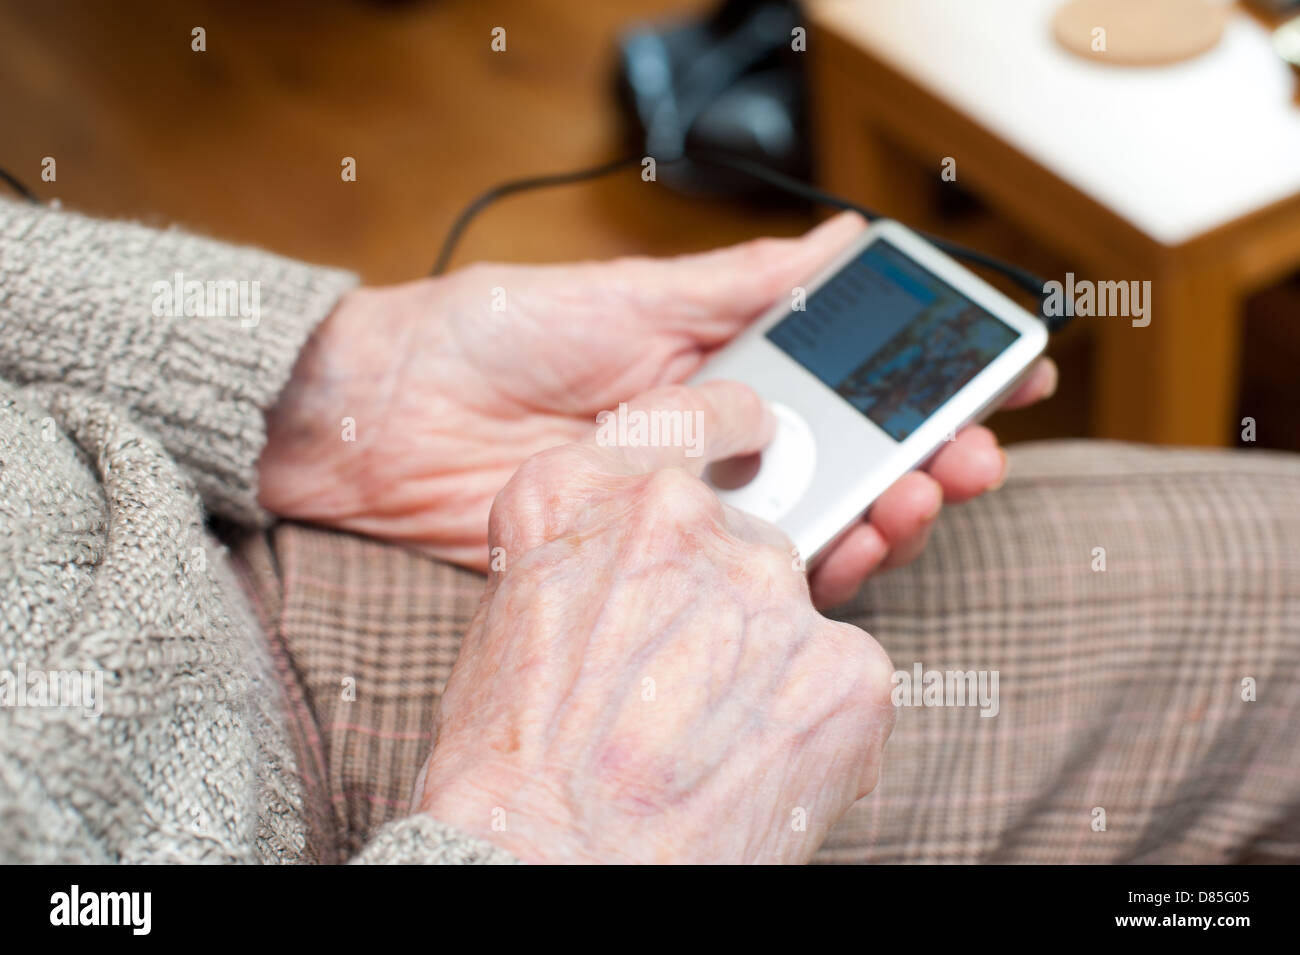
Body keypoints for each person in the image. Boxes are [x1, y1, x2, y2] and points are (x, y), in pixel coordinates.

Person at [0, 195, 1053, 863]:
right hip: (321, 801)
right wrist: (544, 833)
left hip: (189, 509)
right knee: (1218, 573)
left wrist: (329, 386)